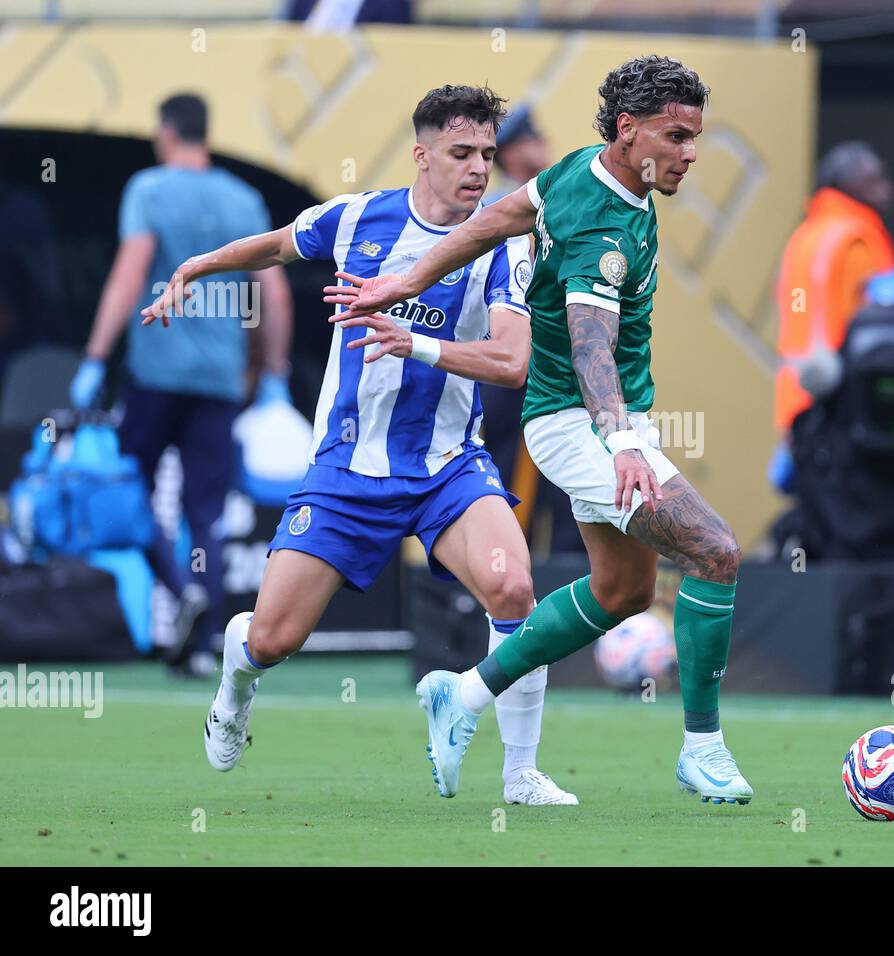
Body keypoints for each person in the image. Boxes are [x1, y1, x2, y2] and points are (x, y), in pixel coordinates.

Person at [326, 55, 753, 806]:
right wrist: (622, 443)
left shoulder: (586, 169)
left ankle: (464, 695)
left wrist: (406, 279)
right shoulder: (602, 225)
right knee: (715, 550)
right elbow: (590, 342)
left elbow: (495, 220)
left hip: (598, 421)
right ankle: (703, 747)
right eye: (675, 135)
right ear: (629, 128)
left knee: (623, 590)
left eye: (695, 136)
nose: (689, 153)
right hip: (582, 424)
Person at [141, 84, 578, 807]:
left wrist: (419, 345)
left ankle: (520, 773)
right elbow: (277, 245)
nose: (478, 169)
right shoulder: (357, 219)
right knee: (273, 640)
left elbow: (512, 362)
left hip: (447, 467)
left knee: (513, 586)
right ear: (422, 155)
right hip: (347, 471)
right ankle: (235, 678)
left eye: (488, 154)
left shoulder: (504, 244)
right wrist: (195, 267)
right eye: (461, 153)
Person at [71, 93, 294, 677]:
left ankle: (177, 588)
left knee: (129, 489)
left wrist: (95, 357)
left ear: (166, 132)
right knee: (206, 513)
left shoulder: (149, 189)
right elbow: (271, 294)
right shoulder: (243, 199)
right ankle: (201, 647)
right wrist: (273, 374)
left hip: (155, 377)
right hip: (219, 383)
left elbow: (128, 273)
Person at [480, 107, 583, 555]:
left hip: (558, 354)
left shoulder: (566, 198)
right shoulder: (500, 208)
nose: (543, 144)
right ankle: (503, 564)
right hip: (516, 354)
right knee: (506, 461)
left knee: (567, 467)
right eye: (531, 138)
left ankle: (563, 573)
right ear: (513, 152)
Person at [771, 142, 894, 489]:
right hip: (842, 403)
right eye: (875, 180)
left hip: (798, 402)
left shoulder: (805, 235)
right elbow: (873, 323)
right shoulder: (855, 238)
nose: (887, 188)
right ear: (848, 185)